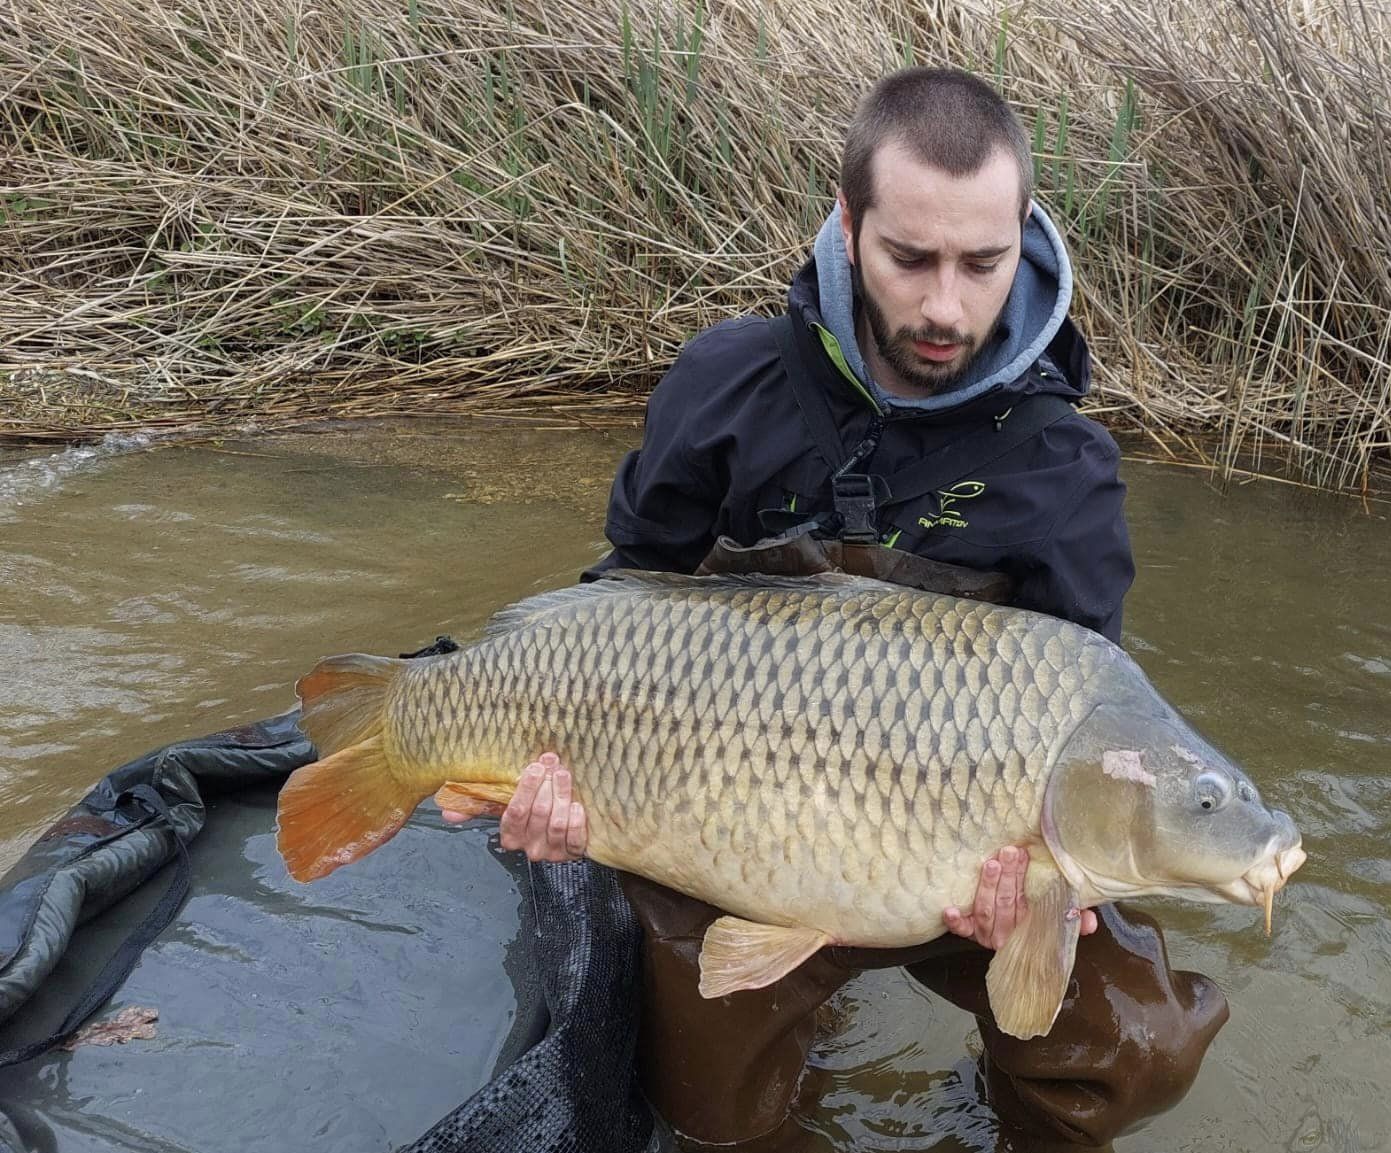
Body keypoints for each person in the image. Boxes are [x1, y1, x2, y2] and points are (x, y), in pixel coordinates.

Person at [444, 68, 1226, 1151]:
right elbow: (619, 605)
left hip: (957, 857)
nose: (946, 304)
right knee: (705, 1109)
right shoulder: (725, 385)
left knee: (1138, 1043)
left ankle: (995, 1121)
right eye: (911, 258)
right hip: (722, 815)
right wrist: (549, 785)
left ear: (1024, 236)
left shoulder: (1066, 470)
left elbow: (1082, 720)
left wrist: (1041, 895)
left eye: (982, 263)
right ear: (849, 226)